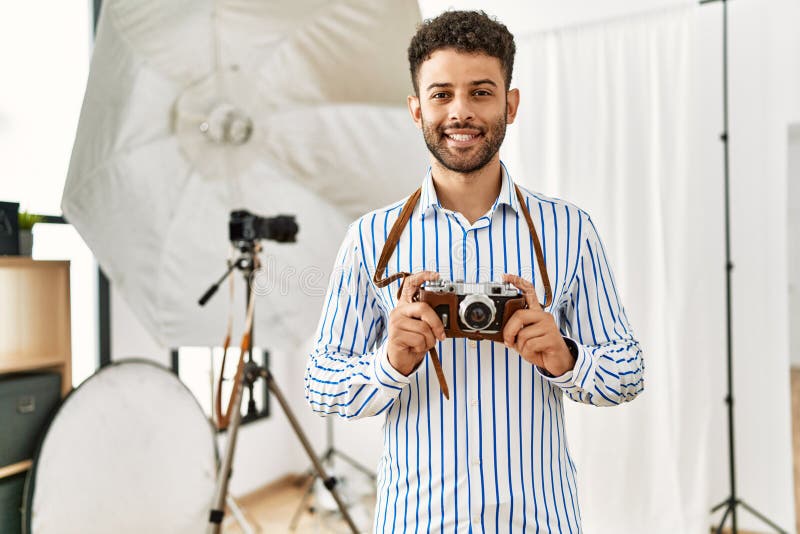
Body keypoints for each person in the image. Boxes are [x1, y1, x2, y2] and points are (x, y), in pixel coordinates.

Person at [305, 10, 643, 533]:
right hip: (417, 519)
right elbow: (322, 386)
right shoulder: (370, 241)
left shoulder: (570, 231)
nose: (460, 111)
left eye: (481, 92)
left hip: (539, 517)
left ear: (510, 104)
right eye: (441, 94)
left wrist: (565, 356)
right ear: (416, 110)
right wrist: (390, 362)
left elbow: (627, 373)